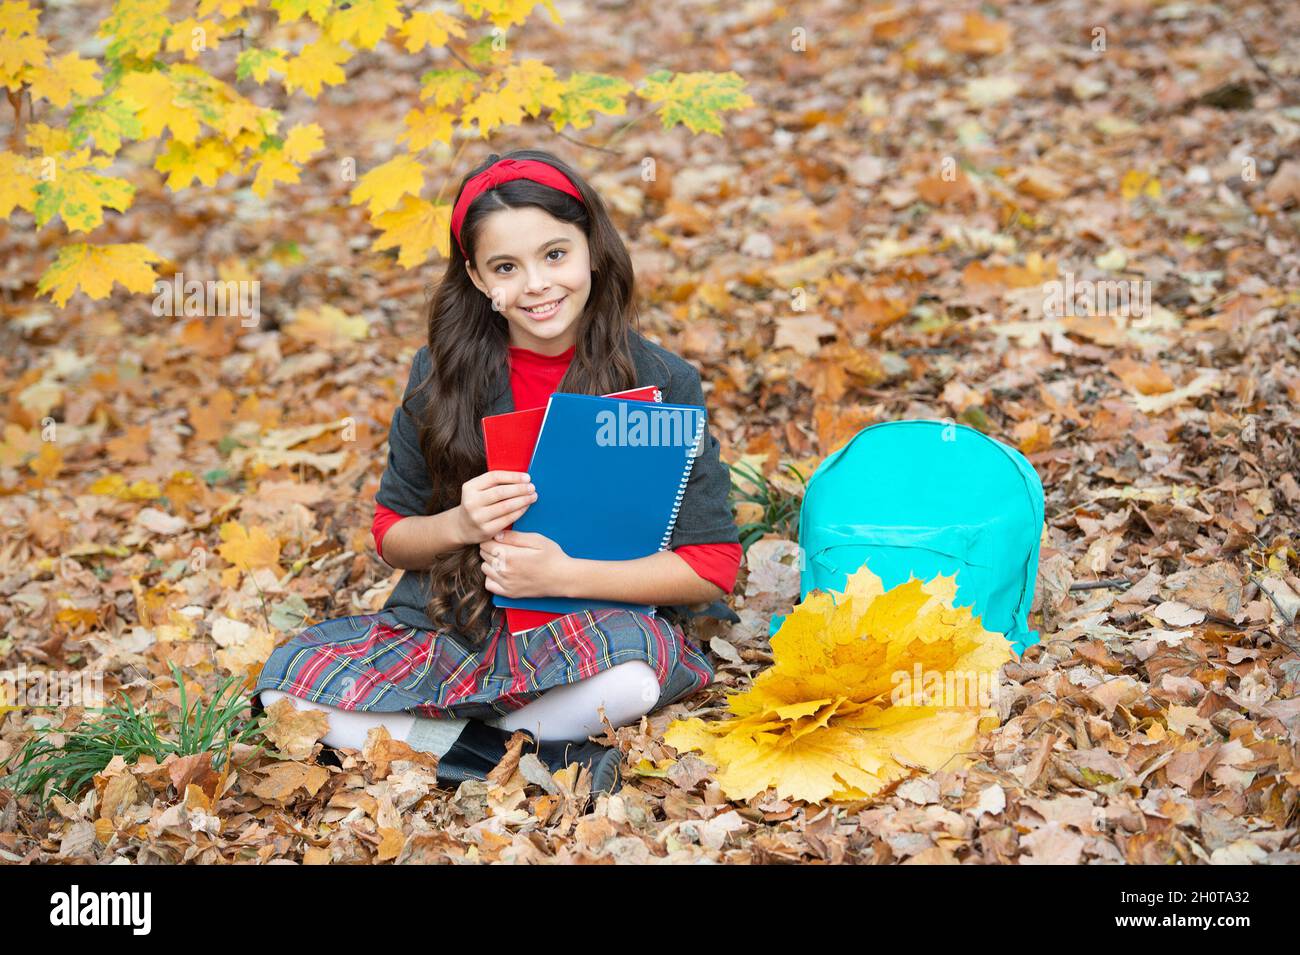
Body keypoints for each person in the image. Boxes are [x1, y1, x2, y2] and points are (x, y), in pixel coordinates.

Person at [253, 149, 742, 796]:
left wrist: (562, 574)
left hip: (589, 626)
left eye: (555, 255)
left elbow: (711, 564)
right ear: (479, 278)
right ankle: (517, 754)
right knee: (282, 686)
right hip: (459, 625)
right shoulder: (439, 376)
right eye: (506, 267)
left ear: (592, 248)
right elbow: (391, 533)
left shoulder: (661, 380)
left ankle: (448, 738)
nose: (537, 284)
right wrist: (459, 521)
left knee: (635, 677)